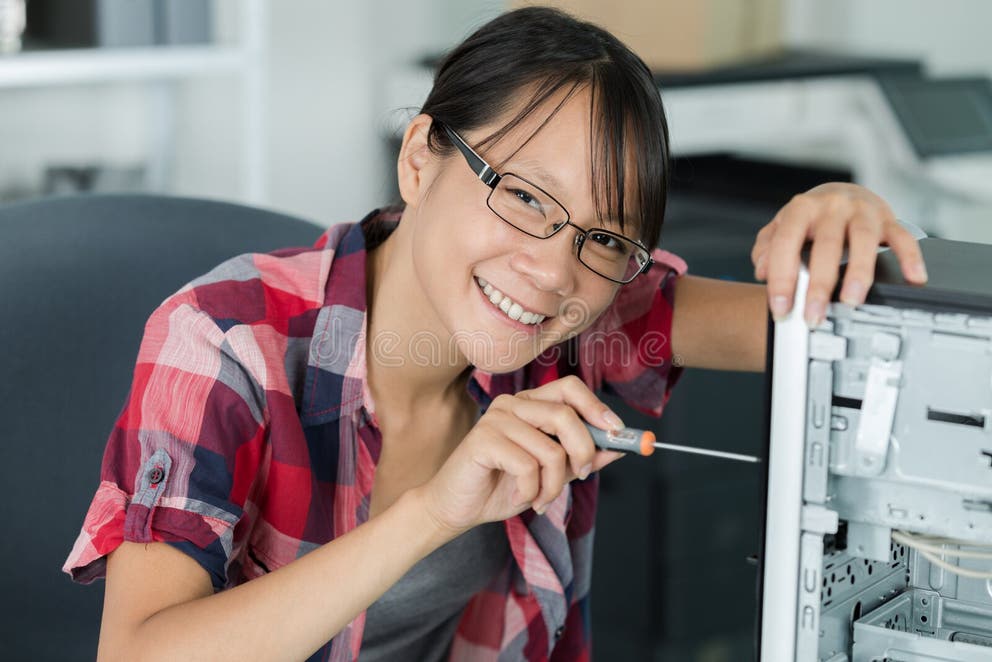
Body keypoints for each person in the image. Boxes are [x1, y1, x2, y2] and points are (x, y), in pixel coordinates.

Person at [63, 6, 928, 662]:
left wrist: (841, 224)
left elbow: (843, 327)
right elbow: (137, 653)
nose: (553, 272)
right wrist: (433, 514)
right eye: (522, 195)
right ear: (419, 159)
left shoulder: (586, 318)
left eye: (604, 237)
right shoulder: (225, 340)